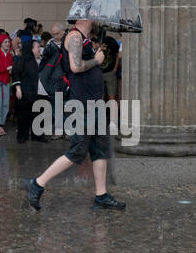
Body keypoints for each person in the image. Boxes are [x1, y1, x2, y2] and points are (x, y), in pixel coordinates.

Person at [23, 19, 126, 212]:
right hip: (80, 103)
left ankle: (101, 195)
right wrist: (96, 60)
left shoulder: (86, 39)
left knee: (100, 148)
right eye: (93, 16)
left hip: (93, 102)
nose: (96, 19)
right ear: (84, 18)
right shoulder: (74, 37)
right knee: (78, 149)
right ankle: (37, 184)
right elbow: (76, 66)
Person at [12, 41, 45, 144]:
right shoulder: (22, 61)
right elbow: (15, 74)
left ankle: (38, 136)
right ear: (31, 49)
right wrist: (18, 88)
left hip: (38, 93)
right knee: (24, 116)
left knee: (38, 115)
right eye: (37, 47)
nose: (40, 49)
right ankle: (22, 136)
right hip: (25, 93)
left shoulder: (41, 60)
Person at [100, 36, 120, 132]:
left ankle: (113, 121)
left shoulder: (111, 43)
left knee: (111, 97)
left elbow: (116, 56)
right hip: (102, 73)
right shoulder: (98, 43)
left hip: (108, 73)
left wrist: (115, 69)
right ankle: (103, 120)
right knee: (101, 97)